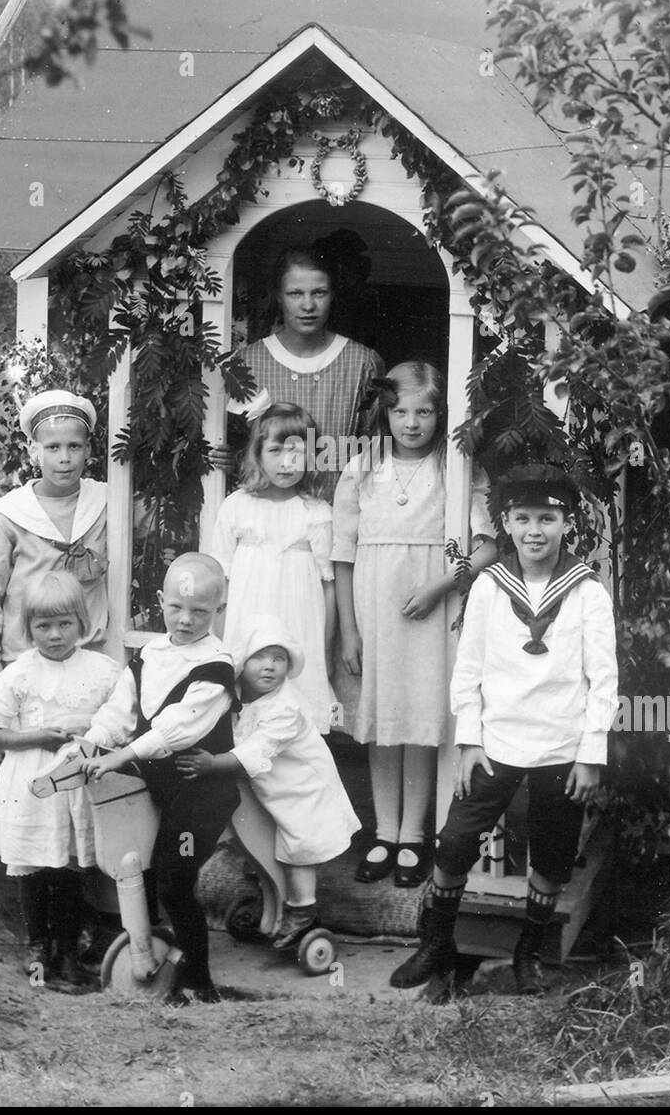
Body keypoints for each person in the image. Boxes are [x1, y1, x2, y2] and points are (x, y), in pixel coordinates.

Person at [389, 465, 618, 995]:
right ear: (508, 525)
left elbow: (604, 680)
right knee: (454, 844)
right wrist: (469, 740)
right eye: (522, 518)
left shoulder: (587, 593)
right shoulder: (491, 587)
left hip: (562, 746)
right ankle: (437, 944)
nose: (535, 529)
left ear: (567, 524)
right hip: (496, 743)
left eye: (548, 518)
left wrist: (590, 753)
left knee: (553, 855)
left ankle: (528, 953)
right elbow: (467, 669)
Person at [332, 362, 498, 889]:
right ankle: (384, 832)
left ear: (440, 414)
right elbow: (341, 554)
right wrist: (350, 631)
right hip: (374, 606)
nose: (411, 423)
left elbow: (488, 544)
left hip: (431, 606)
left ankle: (413, 836)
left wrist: (442, 587)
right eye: (400, 411)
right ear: (386, 411)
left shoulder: (456, 467)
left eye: (424, 412)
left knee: (421, 718)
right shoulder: (362, 466)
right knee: (382, 721)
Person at [80, 553, 239, 1004]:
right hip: (160, 788)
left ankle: (199, 981)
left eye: (200, 612)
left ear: (219, 612)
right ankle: (157, 958)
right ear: (159, 602)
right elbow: (120, 711)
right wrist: (92, 744)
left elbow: (175, 728)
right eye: (176, 608)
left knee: (175, 874)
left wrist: (122, 756)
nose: (186, 620)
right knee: (144, 869)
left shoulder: (216, 667)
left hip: (201, 793)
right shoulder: (151, 655)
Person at [179, 616, 359, 950]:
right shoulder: (233, 695)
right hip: (271, 789)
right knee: (267, 846)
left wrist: (213, 763)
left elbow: (256, 749)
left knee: (299, 849)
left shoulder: (286, 707)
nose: (269, 666)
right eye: (260, 657)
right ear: (243, 661)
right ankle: (272, 909)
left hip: (305, 790)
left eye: (279, 659)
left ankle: (302, 914)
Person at [0, 571, 121, 989]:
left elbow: (120, 720)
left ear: (82, 622)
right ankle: (38, 948)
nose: (55, 635)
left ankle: (67, 952)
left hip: (77, 783)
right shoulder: (18, 675)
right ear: (28, 629)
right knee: (34, 867)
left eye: (64, 624)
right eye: (43, 626)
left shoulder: (103, 670)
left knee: (68, 868)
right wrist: (38, 738)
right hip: (31, 784)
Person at [0, 389, 108, 697]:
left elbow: (160, 517)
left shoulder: (105, 501)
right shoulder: (9, 515)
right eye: (53, 447)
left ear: (88, 449)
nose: (65, 458)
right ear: (34, 450)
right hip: (25, 663)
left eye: (74, 446)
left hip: (89, 663)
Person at [210, 402, 337, 734]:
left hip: (299, 620)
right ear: (257, 453)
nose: (287, 462)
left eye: (297, 451)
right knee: (246, 707)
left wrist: (324, 643)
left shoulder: (317, 512)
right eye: (276, 450)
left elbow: (328, 583)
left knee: (297, 710)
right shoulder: (237, 506)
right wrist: (221, 636)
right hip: (248, 614)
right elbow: (219, 577)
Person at [219, 247, 383, 499]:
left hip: (337, 519)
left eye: (319, 293)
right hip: (265, 519)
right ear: (278, 296)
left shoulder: (362, 363)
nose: (308, 305)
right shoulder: (247, 362)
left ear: (333, 295)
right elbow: (237, 449)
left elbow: (376, 450)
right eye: (295, 293)